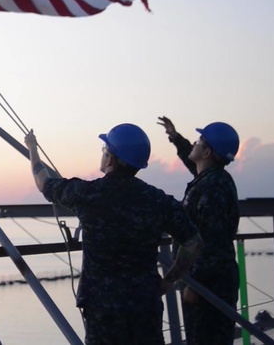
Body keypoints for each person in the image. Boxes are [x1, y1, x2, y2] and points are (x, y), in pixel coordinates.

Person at [27, 124, 202, 345]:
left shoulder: (88, 194)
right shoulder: (158, 200)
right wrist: (170, 279)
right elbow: (193, 242)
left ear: (110, 158)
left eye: (104, 150)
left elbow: (44, 183)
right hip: (145, 303)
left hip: (102, 307)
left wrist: (32, 148)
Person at [157, 116, 241, 345]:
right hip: (210, 280)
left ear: (206, 153)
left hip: (208, 284)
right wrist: (175, 137)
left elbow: (211, 239)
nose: (194, 143)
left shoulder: (213, 187)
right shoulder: (211, 179)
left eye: (199, 141)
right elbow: (191, 158)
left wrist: (196, 283)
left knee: (205, 339)